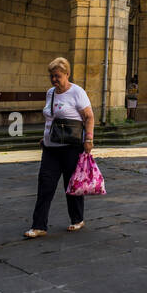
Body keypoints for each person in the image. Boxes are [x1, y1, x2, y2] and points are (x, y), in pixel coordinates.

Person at [24, 56, 94, 238]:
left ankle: (77, 219)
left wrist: (89, 140)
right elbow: (51, 117)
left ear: (67, 74)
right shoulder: (50, 93)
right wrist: (46, 136)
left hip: (71, 147)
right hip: (50, 148)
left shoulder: (77, 92)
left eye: (57, 76)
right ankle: (39, 226)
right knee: (45, 185)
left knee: (71, 185)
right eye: (52, 76)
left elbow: (89, 117)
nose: (54, 79)